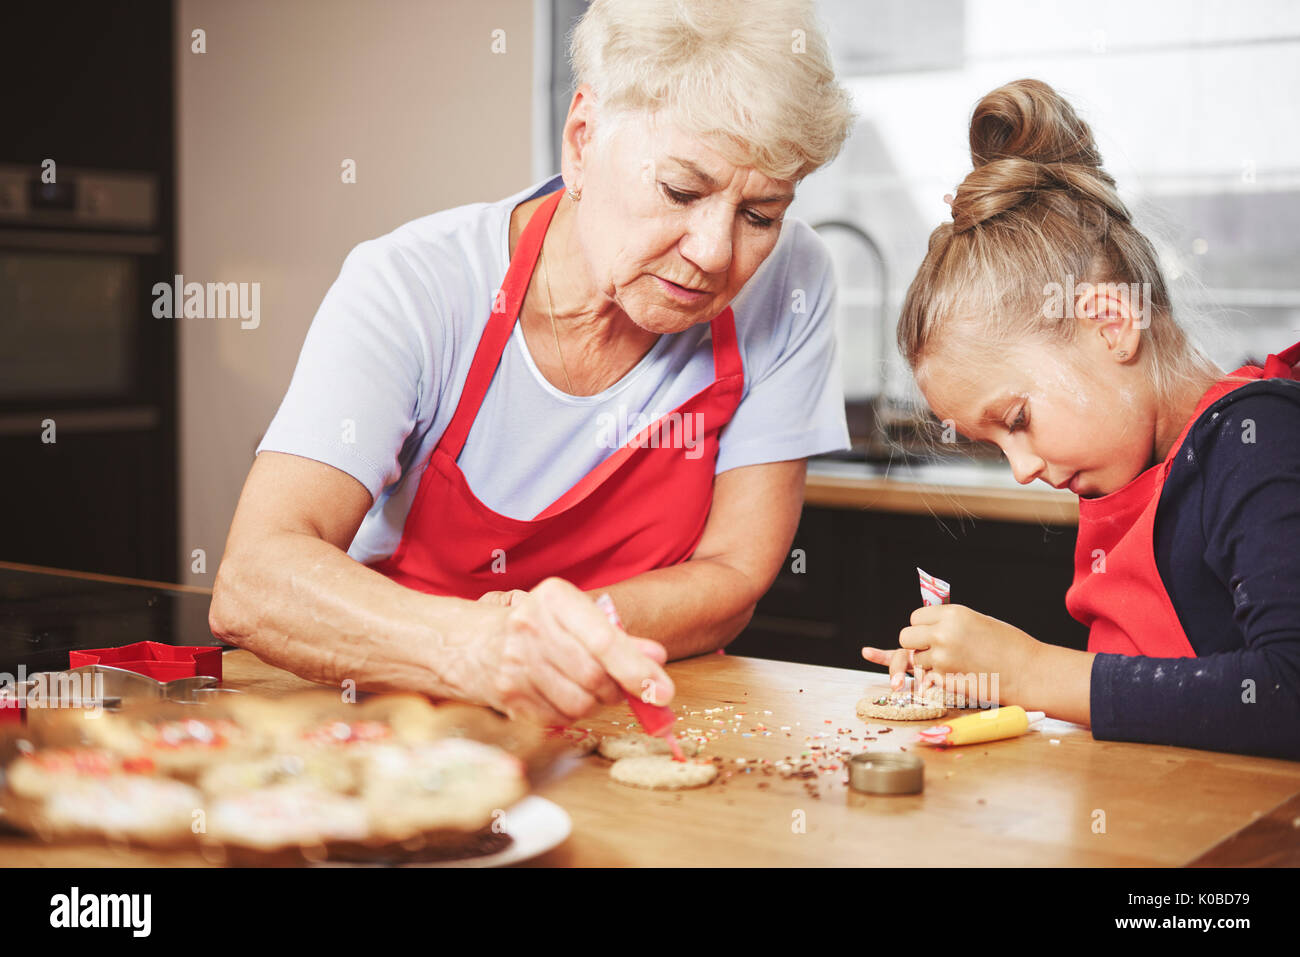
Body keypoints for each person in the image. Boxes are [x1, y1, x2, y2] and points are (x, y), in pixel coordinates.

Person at [210, 0, 857, 727]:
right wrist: (478, 646)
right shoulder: (413, 286)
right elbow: (255, 578)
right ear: (582, 141)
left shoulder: (793, 280)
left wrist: (559, 631)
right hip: (388, 719)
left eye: (761, 214)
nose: (714, 252)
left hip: (616, 716)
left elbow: (734, 574)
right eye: (680, 190)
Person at [865, 78, 1300, 760]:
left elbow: (1286, 692)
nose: (1022, 469)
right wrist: (986, 679)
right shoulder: (1120, 469)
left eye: (1017, 418)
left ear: (1109, 322)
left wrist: (1034, 670)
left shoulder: (1257, 444)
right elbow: (1147, 695)